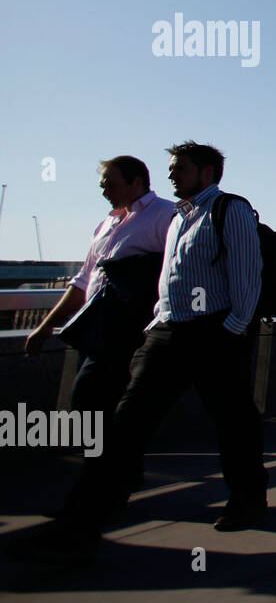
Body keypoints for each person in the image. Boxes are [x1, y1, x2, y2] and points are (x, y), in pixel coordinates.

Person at [20, 142, 270, 563]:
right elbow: (169, 278)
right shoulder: (177, 218)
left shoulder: (230, 211)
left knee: (233, 421)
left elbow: (248, 278)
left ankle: (247, 498)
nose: (172, 175)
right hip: (168, 334)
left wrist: (230, 330)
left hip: (215, 333)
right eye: (172, 169)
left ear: (207, 173)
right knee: (126, 424)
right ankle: (78, 525)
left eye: (181, 169)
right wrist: (158, 321)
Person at [24, 156, 174, 415]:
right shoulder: (107, 224)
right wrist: (46, 324)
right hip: (98, 331)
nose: (104, 191)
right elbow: (83, 280)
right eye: (102, 186)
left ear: (136, 182)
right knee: (97, 406)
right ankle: (106, 454)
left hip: (131, 332)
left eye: (110, 185)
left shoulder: (166, 214)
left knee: (89, 398)